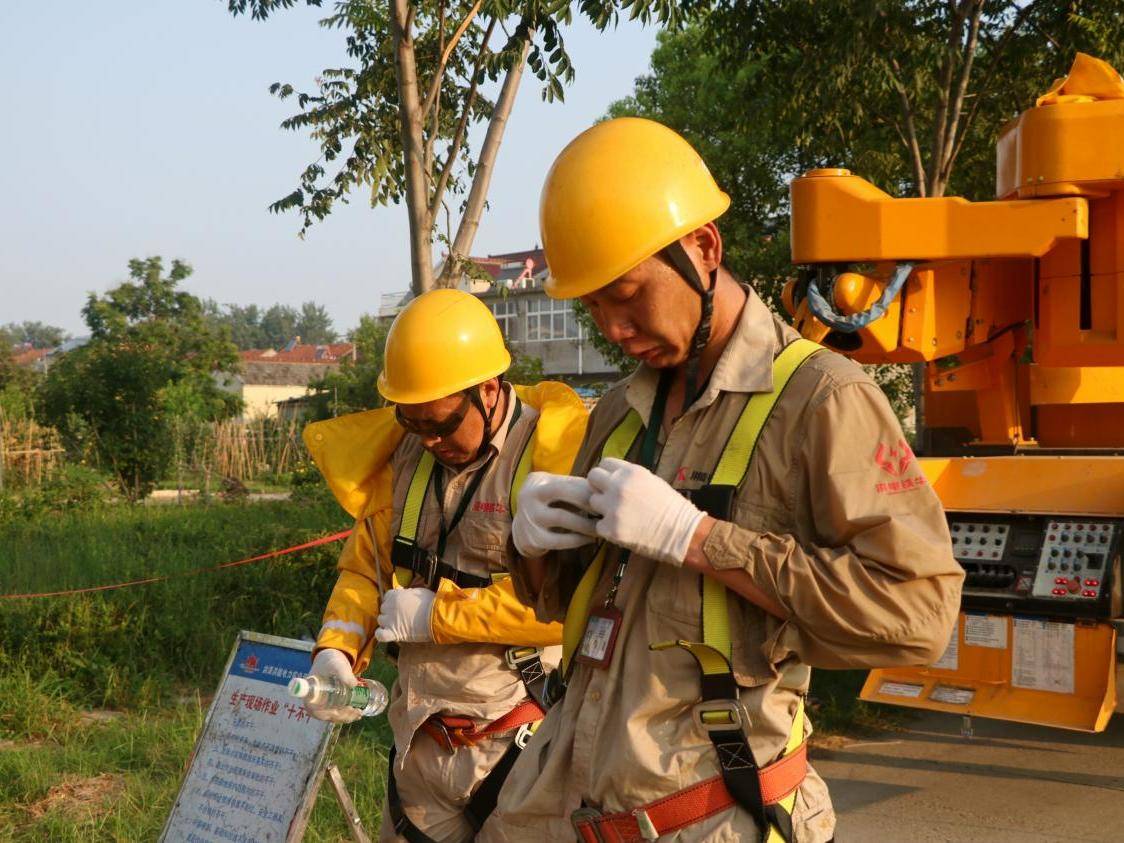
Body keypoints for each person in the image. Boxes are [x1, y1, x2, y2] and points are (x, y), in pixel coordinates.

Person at [477, 117, 964, 842]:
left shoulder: (821, 400)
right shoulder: (618, 412)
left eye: (628, 294)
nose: (613, 328)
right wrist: (535, 547)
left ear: (704, 248)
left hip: (713, 817)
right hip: (565, 808)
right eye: (593, 307)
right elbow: (562, 606)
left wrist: (699, 538)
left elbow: (918, 615)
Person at [300, 288, 587, 842]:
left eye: (441, 424)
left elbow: (572, 603)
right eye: (412, 424)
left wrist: (439, 616)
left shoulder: (553, 460)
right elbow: (365, 570)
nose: (430, 440)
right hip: (420, 753)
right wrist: (336, 650)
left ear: (488, 389)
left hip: (522, 751)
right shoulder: (405, 458)